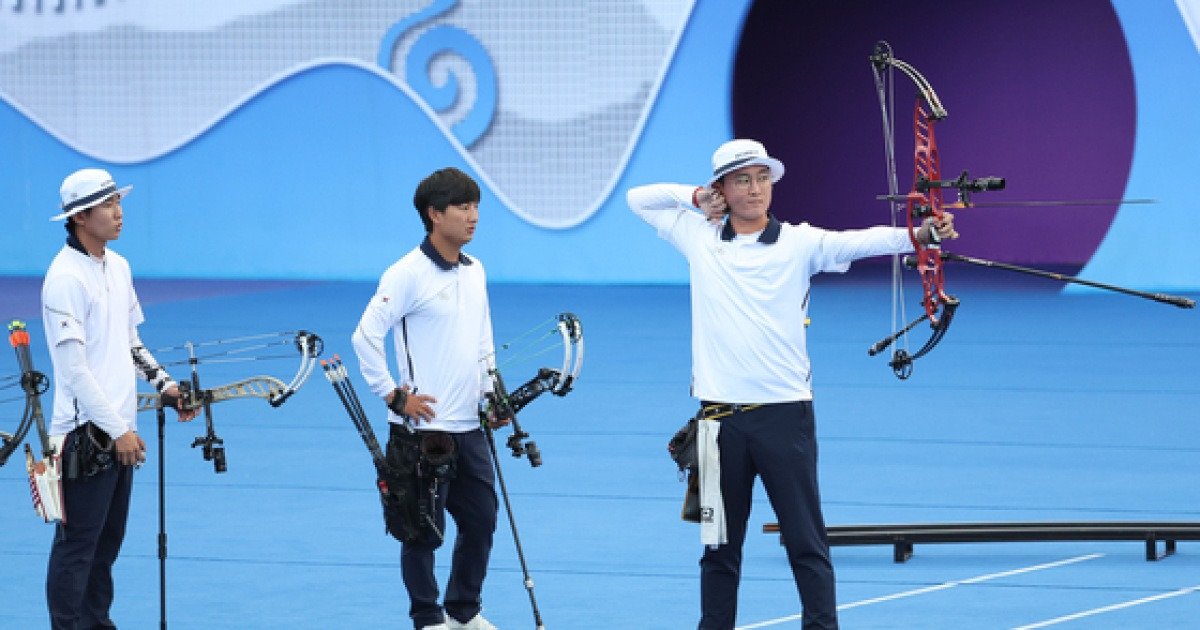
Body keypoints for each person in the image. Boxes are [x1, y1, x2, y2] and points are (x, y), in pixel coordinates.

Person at [626, 139, 958, 630]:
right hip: (718, 423)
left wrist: (922, 233)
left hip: (785, 418)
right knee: (719, 549)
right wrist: (694, 197)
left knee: (805, 543)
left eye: (762, 178)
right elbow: (639, 198)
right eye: (742, 179)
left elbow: (860, 240)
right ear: (721, 188)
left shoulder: (799, 242)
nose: (756, 188)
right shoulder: (697, 236)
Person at [351, 167, 508, 630]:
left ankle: (464, 612)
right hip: (423, 432)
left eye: (476, 205)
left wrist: (491, 395)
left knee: (481, 522)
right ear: (434, 214)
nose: (473, 216)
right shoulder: (406, 274)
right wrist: (395, 397)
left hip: (469, 427)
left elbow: (483, 342)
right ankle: (427, 617)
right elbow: (365, 337)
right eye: (463, 207)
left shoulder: (476, 270)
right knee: (421, 530)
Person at [42, 167, 198, 629]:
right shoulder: (64, 278)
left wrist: (166, 386)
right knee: (77, 546)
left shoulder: (119, 265)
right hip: (82, 437)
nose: (119, 212)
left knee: (107, 544)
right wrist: (120, 431)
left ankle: (98, 622)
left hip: (117, 432)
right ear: (80, 216)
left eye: (118, 202)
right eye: (108, 205)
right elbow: (74, 371)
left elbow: (131, 343)